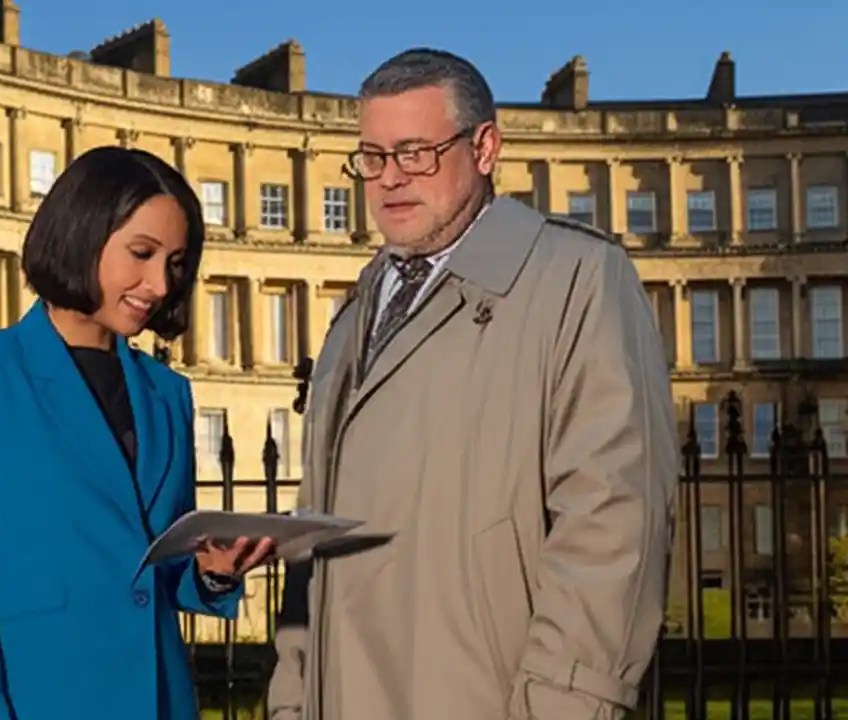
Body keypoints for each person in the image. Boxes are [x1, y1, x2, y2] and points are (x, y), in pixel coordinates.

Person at [267, 48, 678, 719]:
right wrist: (291, 701)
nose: (391, 178)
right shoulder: (351, 315)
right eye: (372, 156)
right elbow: (311, 537)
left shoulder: (577, 279)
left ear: (484, 148)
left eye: (416, 153)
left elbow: (611, 528)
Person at [0, 145, 274, 719]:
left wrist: (213, 576)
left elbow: (158, 570)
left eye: (175, 263)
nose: (160, 284)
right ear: (84, 232)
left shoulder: (169, 394)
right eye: (142, 253)